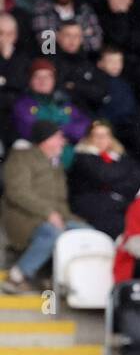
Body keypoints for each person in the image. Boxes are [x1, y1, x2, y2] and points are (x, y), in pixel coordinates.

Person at [2, 121, 85, 293]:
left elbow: (60, 201)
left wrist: (69, 220)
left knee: (86, 233)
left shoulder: (56, 163)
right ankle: (17, 276)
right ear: (46, 140)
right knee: (51, 232)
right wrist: (48, 213)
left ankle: (61, 281)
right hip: (22, 217)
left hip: (54, 217)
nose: (63, 142)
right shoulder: (21, 157)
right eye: (58, 137)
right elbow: (17, 192)